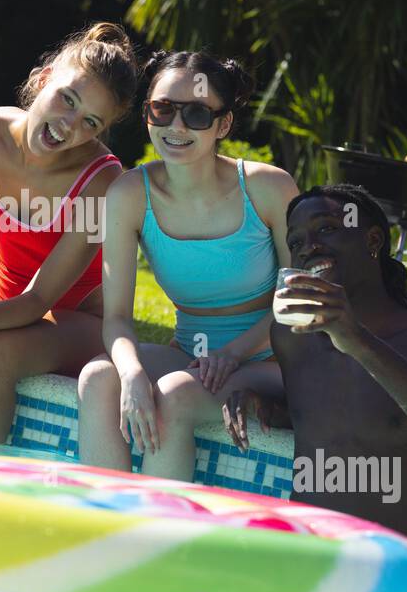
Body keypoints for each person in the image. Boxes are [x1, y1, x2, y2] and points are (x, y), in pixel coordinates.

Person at [222, 183, 407, 546]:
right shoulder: (293, 338)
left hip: (388, 566)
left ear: (374, 240)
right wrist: (264, 405)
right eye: (296, 242)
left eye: (327, 229)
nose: (309, 246)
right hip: (302, 552)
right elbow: (341, 420)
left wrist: (358, 341)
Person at [0, 23, 138, 444]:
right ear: (46, 76)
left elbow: (38, 300)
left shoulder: (100, 181)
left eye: (90, 122)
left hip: (78, 321)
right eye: (67, 99)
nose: (68, 125)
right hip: (6, 297)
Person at [77, 51, 299, 480]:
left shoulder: (269, 188)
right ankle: (108, 524)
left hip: (277, 359)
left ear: (224, 124)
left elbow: (297, 306)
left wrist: (232, 354)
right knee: (99, 378)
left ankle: (162, 538)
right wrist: (132, 371)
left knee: (175, 394)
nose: (176, 127)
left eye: (197, 114)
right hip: (194, 355)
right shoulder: (129, 194)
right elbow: (118, 318)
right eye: (162, 110)